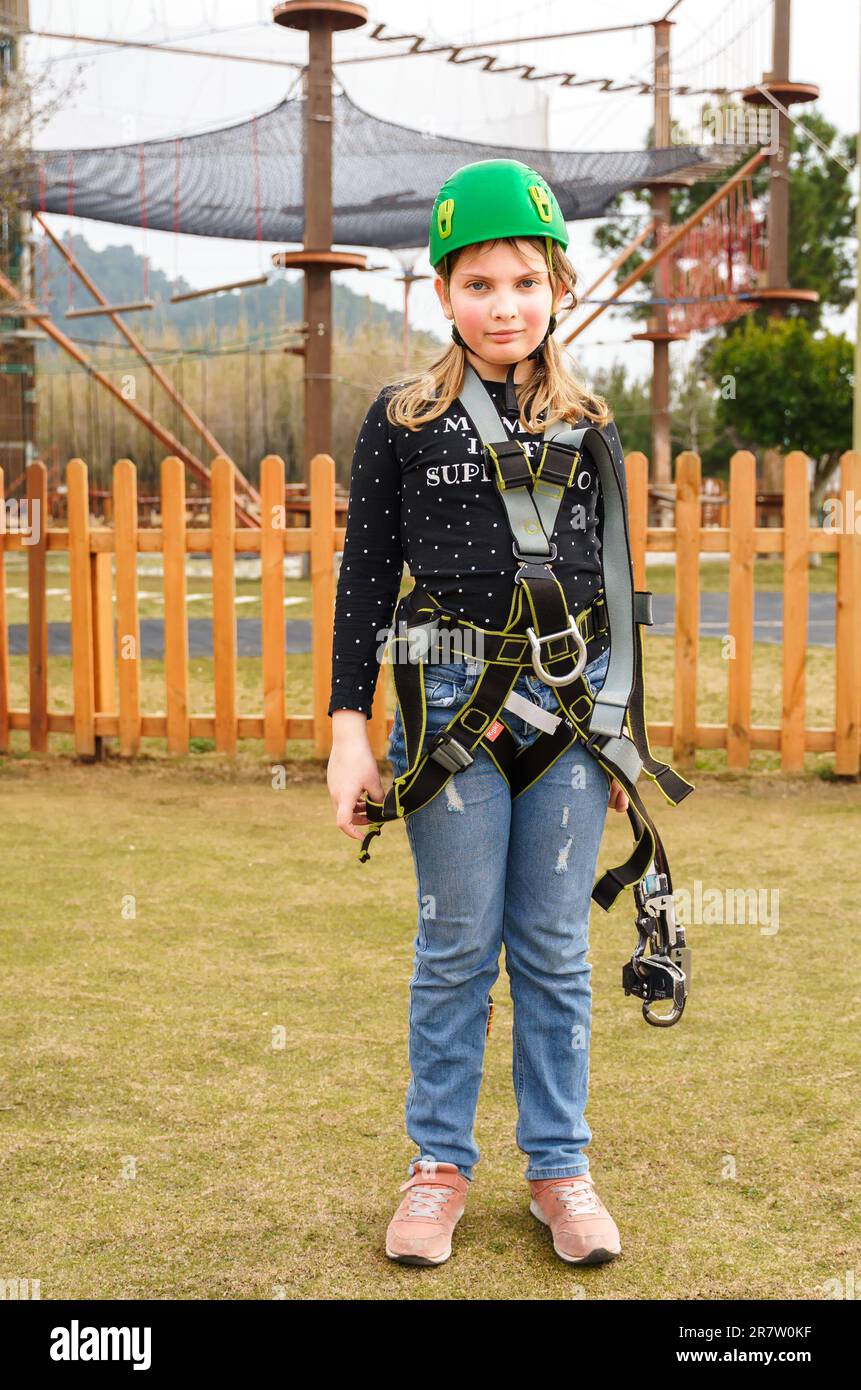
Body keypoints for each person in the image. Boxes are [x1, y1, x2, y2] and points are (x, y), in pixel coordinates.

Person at [327, 159, 631, 1269]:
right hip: (444, 712)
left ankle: (560, 1168)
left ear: (557, 286)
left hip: (567, 720)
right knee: (455, 947)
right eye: (479, 284)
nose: (504, 306)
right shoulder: (404, 421)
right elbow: (365, 580)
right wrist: (348, 731)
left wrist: (618, 726)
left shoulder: (592, 426)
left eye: (524, 282)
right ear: (441, 293)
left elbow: (614, 590)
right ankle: (438, 1167)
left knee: (554, 949)